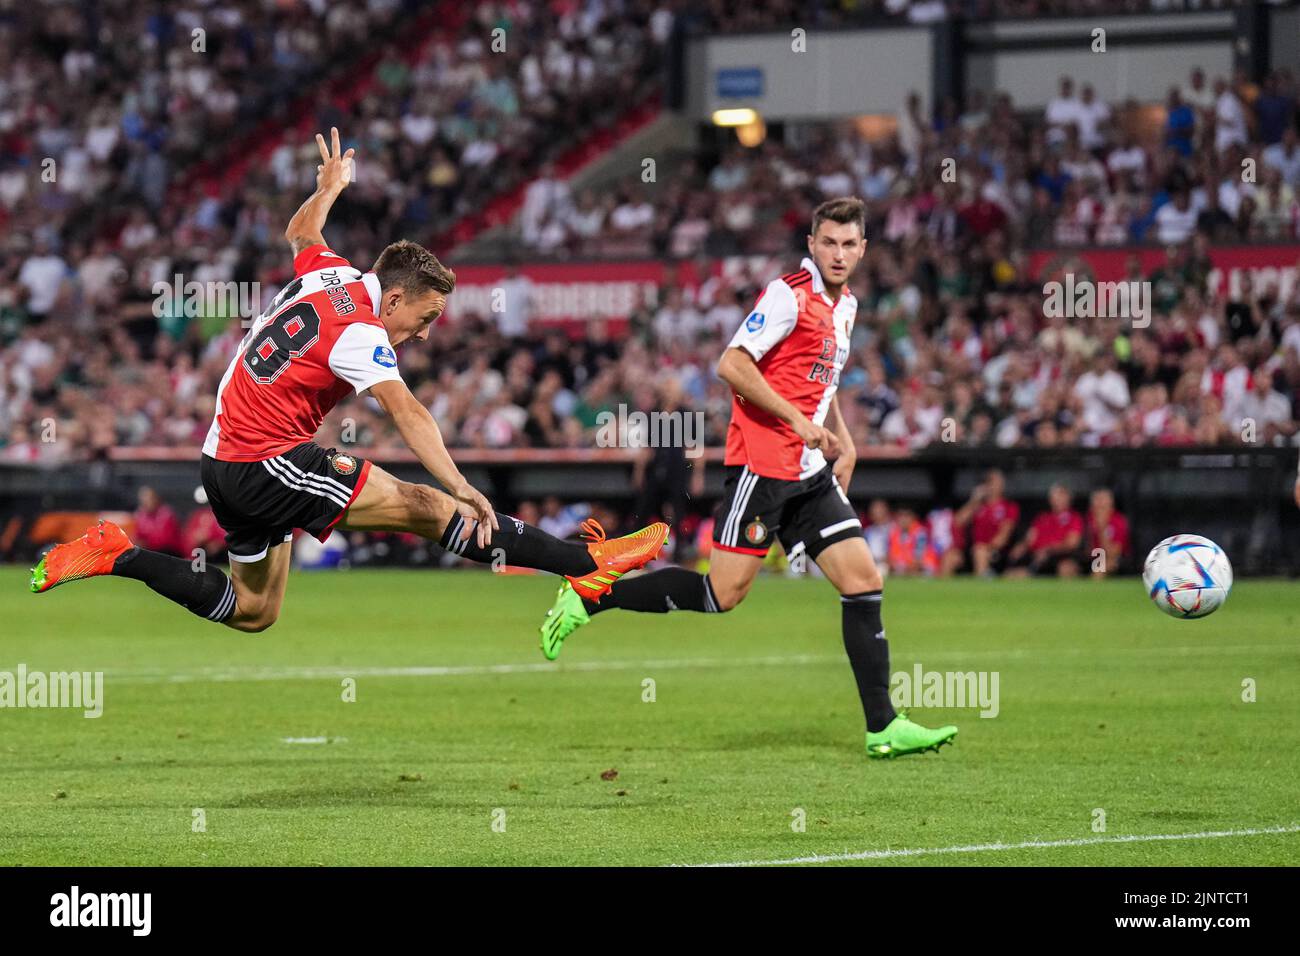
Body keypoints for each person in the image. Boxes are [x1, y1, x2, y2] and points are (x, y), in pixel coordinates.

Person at [31, 129, 668, 630]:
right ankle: (586, 564)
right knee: (427, 505)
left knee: (254, 613)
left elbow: (300, 230)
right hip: (264, 460)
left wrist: (330, 186)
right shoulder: (360, 328)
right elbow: (408, 411)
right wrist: (462, 485)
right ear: (393, 299)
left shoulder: (328, 274)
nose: (422, 334)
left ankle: (118, 553)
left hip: (222, 459)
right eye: (424, 318)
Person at [538, 197, 957, 759]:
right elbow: (732, 365)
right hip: (762, 468)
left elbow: (820, 382)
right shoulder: (788, 295)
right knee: (721, 593)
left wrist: (843, 437)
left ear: (863, 249)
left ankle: (883, 724)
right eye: (828, 242)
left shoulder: (848, 306)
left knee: (863, 582)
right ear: (812, 244)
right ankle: (593, 596)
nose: (838, 253)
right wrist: (795, 422)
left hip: (809, 473)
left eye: (849, 244)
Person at [1006, 484, 1084, 578]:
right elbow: (1030, 538)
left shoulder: (1074, 518)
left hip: (1060, 557)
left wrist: (1048, 550)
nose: (1057, 500)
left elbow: (1072, 543)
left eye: (1061, 496)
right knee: (1009, 574)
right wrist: (1021, 546)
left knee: (1065, 568)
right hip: (1036, 558)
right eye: (1054, 497)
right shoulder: (1042, 518)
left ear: (1068, 498)